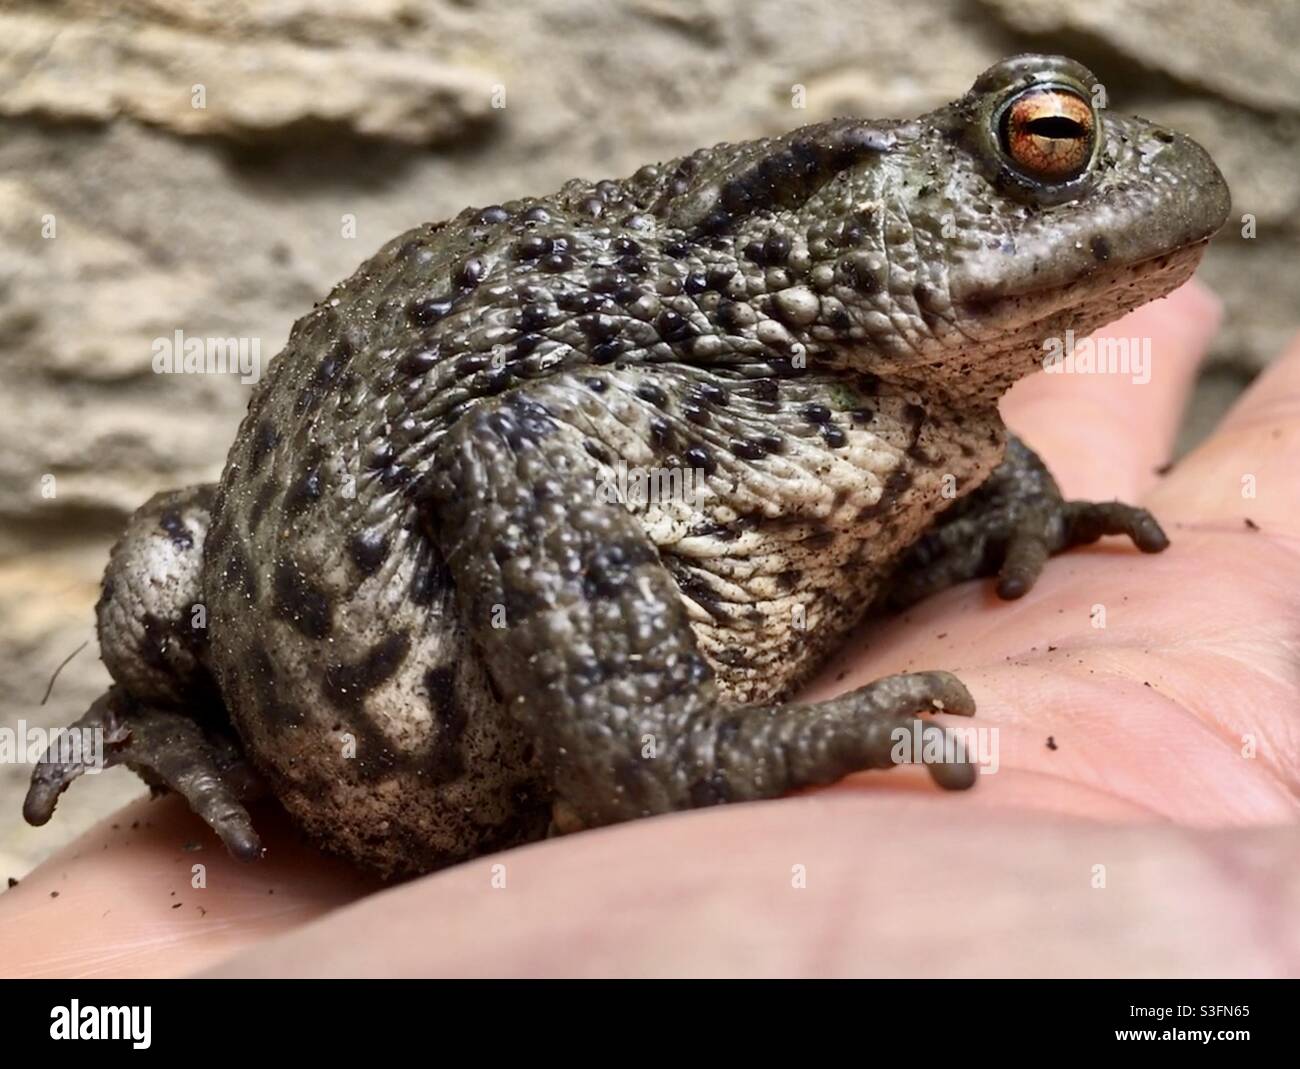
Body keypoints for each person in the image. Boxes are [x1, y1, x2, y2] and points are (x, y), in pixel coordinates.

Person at [3, 281, 1297, 977]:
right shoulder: (724, 347)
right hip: (345, 696)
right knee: (170, 562)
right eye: (1048, 146)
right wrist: (664, 747)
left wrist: (1003, 507)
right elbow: (519, 445)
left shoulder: (851, 398)